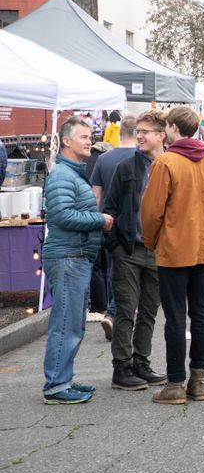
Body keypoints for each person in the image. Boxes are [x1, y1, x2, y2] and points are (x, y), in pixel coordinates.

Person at [141, 106, 204, 405]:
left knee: (175, 316)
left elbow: (151, 212)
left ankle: (175, 383)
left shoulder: (166, 162)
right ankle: (199, 380)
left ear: (174, 128)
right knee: (201, 313)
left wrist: (151, 241)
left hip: (175, 247)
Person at [41, 116, 115, 404]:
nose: (89, 141)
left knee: (74, 323)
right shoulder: (62, 175)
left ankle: (64, 379)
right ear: (68, 141)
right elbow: (61, 215)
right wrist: (99, 220)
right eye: (84, 137)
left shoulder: (72, 173)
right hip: (68, 256)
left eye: (89, 136)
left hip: (76, 255)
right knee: (66, 323)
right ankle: (56, 387)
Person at [103, 110, 169, 390]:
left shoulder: (169, 165)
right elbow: (110, 207)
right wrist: (116, 244)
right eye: (138, 131)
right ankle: (122, 367)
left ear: (161, 136)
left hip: (159, 250)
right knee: (126, 309)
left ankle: (142, 362)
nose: (139, 136)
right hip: (128, 249)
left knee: (150, 311)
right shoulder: (127, 168)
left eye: (146, 132)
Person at [91, 115, 139, 339]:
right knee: (136, 274)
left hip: (109, 223)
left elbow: (96, 195)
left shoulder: (104, 159)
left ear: (119, 133)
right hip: (138, 224)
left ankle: (114, 312)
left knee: (112, 271)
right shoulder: (142, 157)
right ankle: (119, 314)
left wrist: (98, 220)